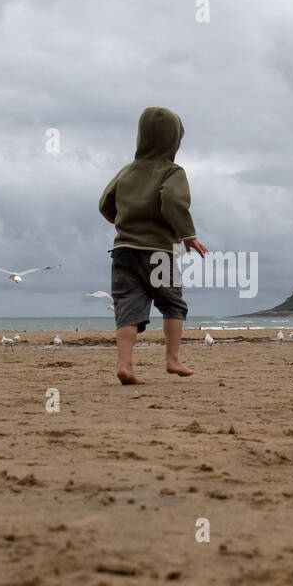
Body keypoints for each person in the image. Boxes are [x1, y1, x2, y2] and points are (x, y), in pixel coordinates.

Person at [98, 106, 207, 385]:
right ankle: (172, 359)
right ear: (174, 142)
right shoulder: (172, 172)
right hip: (159, 251)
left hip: (123, 250)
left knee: (127, 305)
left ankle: (124, 364)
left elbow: (105, 204)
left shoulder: (127, 171)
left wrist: (125, 222)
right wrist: (186, 234)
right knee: (172, 303)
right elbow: (172, 200)